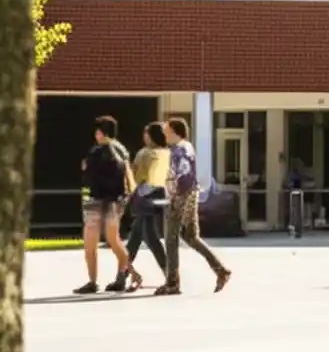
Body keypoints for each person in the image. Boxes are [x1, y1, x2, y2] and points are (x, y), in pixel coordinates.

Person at [155, 117, 231, 295]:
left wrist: (175, 197)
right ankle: (220, 270)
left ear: (174, 132)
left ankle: (172, 282)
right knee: (191, 236)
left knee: (171, 238)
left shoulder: (179, 150)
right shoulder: (186, 147)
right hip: (189, 194)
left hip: (180, 196)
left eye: (167, 131)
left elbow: (183, 176)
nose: (165, 135)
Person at [75, 115, 141, 294]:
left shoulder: (96, 152)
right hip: (116, 201)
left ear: (100, 132)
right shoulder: (122, 150)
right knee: (114, 240)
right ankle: (124, 275)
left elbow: (88, 174)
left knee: (90, 243)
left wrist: (85, 166)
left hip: (97, 200)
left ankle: (92, 281)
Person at [123, 122, 170, 290]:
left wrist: (132, 191)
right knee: (135, 238)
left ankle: (170, 275)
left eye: (146, 133)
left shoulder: (145, 153)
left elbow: (135, 176)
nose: (144, 136)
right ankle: (122, 276)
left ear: (151, 136)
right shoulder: (166, 153)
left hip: (144, 196)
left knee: (150, 237)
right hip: (158, 194)